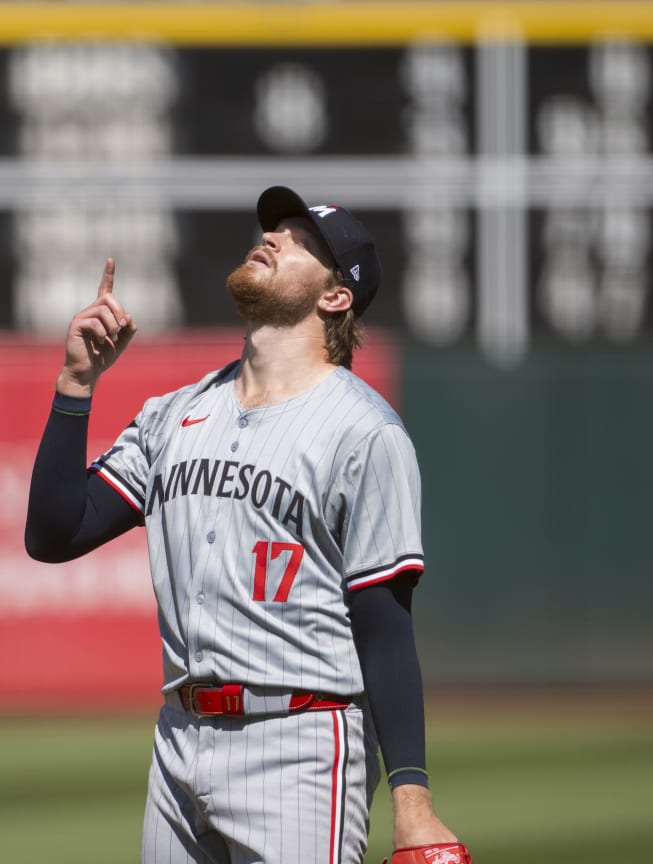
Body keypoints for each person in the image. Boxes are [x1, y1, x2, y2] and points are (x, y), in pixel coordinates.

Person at [24, 186, 467, 864]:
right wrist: (76, 385)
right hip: (179, 738)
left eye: (304, 242)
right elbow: (55, 533)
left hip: (299, 743)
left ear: (336, 296)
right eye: (276, 229)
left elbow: (385, 629)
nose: (276, 238)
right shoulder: (173, 414)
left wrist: (413, 801)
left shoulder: (365, 433)